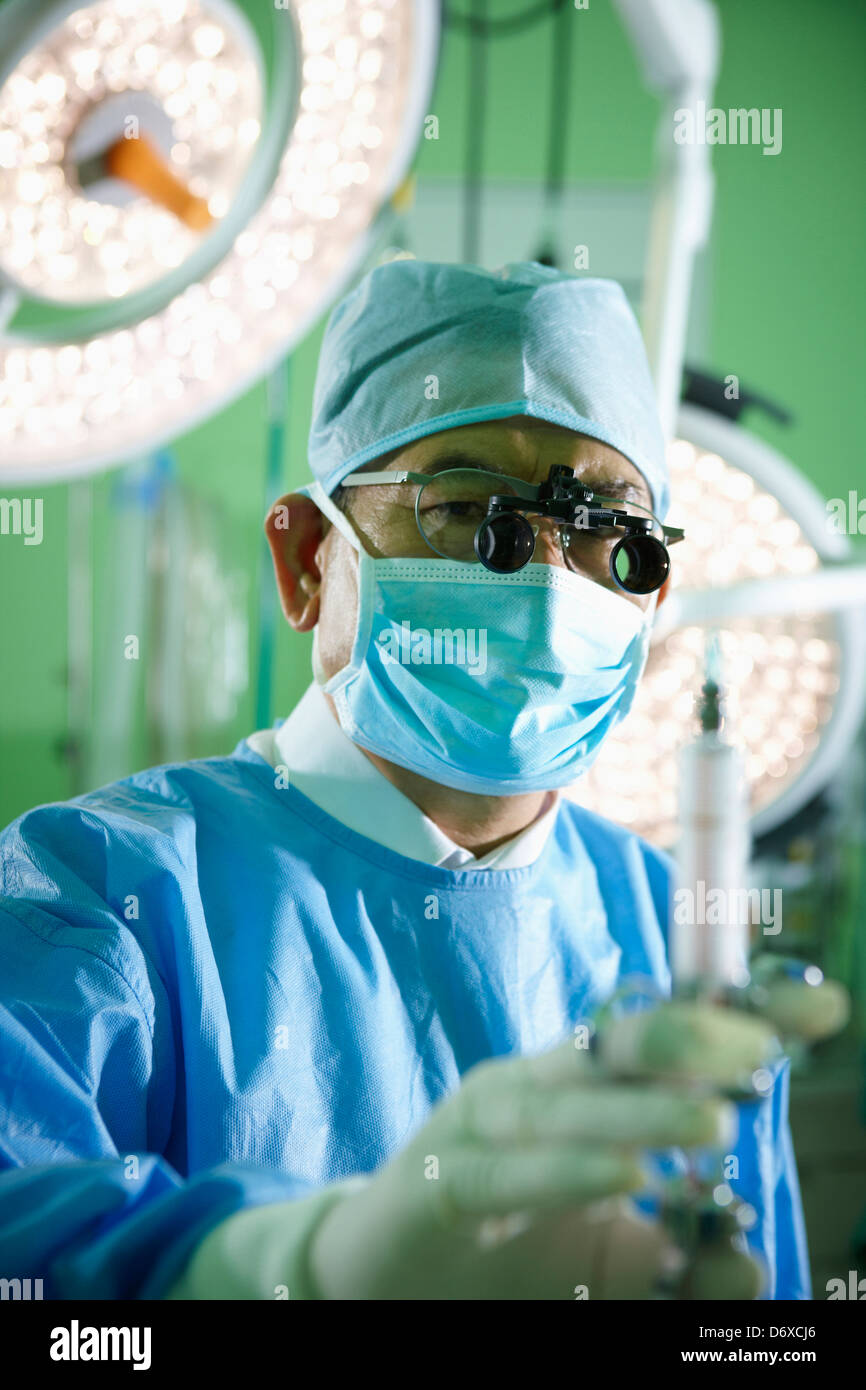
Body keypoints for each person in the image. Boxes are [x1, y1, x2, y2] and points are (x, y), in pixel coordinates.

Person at [0, 261, 842, 1301]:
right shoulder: (95, 897)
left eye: (601, 528)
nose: (544, 579)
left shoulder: (674, 926)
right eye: (468, 510)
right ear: (309, 559)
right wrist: (299, 1271)